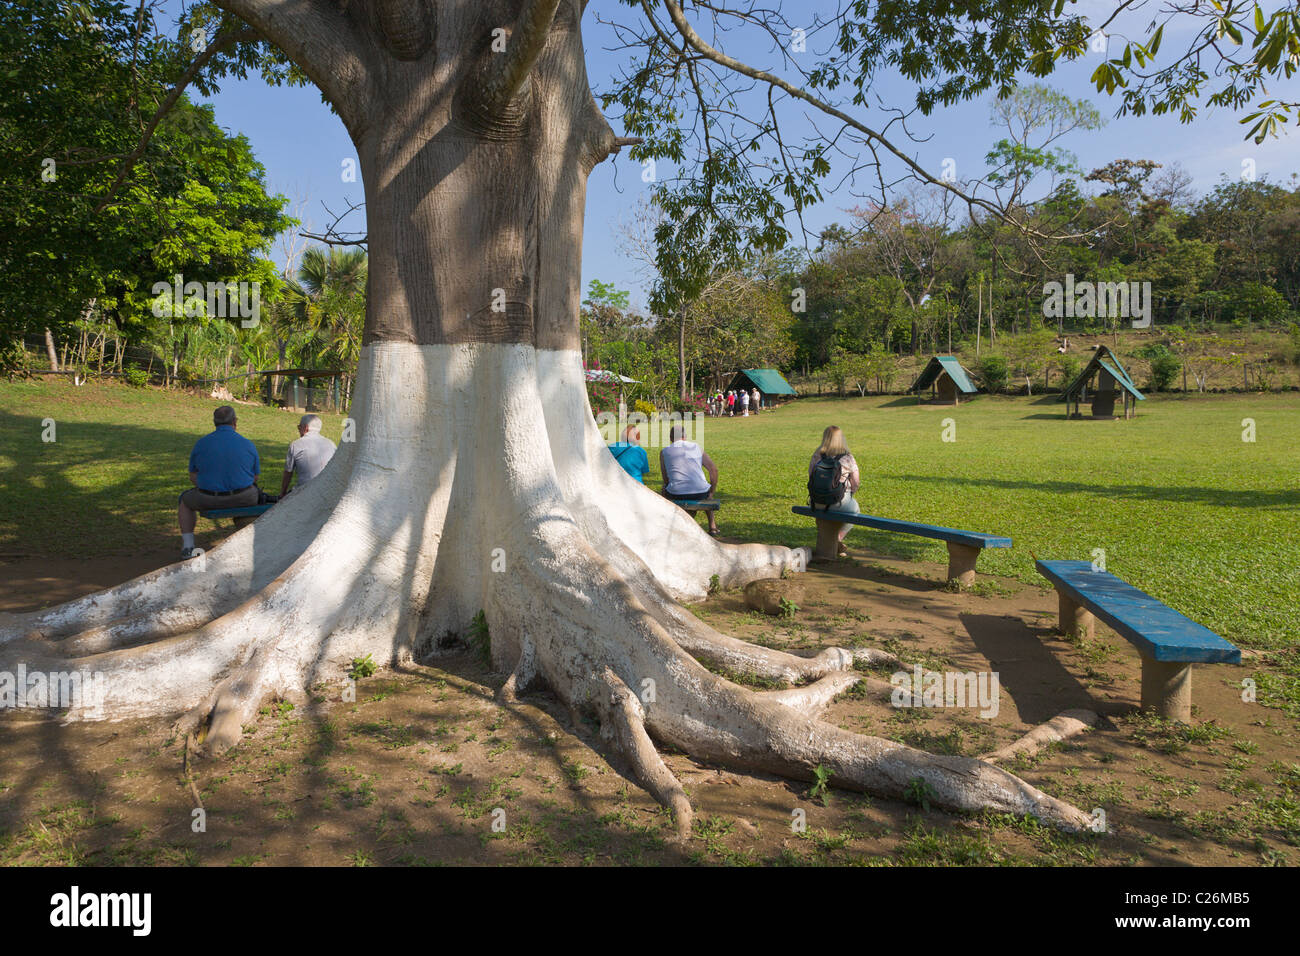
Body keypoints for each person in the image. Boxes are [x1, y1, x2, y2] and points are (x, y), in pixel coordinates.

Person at [178, 405, 261, 559]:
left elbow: (192, 475)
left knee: (185, 500)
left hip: (209, 498)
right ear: (235, 422)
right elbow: (255, 477)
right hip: (244, 497)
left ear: (214, 422)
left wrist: (210, 485)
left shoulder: (201, 444)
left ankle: (188, 546)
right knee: (256, 494)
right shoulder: (248, 444)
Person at [807, 425, 861, 557]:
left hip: (816, 502)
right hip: (838, 502)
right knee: (856, 510)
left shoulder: (817, 455)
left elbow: (810, 476)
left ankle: (829, 544)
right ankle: (838, 539)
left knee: (824, 517)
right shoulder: (848, 457)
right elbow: (856, 483)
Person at [659, 424, 719, 535]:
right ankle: (712, 526)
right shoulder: (696, 447)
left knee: (664, 488)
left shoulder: (664, 452)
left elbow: (666, 479)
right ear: (685, 436)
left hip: (676, 493)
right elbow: (713, 470)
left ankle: (667, 524)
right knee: (704, 488)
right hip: (700, 493)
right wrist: (712, 492)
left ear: (671, 438)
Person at [281, 414, 337, 497]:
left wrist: (282, 493)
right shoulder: (331, 444)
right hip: (329, 491)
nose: (298, 430)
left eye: (299, 427)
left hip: (305, 492)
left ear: (306, 428)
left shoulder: (296, 445)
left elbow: (288, 473)